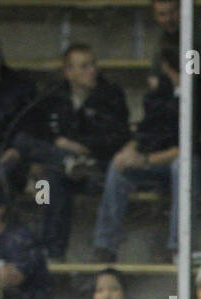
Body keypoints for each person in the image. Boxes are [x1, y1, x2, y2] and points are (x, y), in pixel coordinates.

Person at [91, 42, 201, 263]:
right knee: (119, 168)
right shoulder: (161, 93)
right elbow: (146, 130)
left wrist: (145, 159)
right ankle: (105, 246)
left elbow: (190, 146)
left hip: (193, 167)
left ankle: (178, 247)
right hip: (156, 164)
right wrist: (128, 151)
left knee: (182, 166)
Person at [18, 44, 130, 259]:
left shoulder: (111, 95)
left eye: (93, 64)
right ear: (68, 72)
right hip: (61, 171)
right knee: (47, 178)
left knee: (50, 179)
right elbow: (34, 131)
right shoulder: (52, 95)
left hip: (96, 170)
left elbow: (118, 138)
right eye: (84, 66)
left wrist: (81, 147)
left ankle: (52, 252)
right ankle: (54, 254)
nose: (92, 71)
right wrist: (60, 147)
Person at [0, 30, 38, 198]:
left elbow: (33, 126)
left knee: (45, 185)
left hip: (15, 157)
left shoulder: (21, 88)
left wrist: (17, 149)